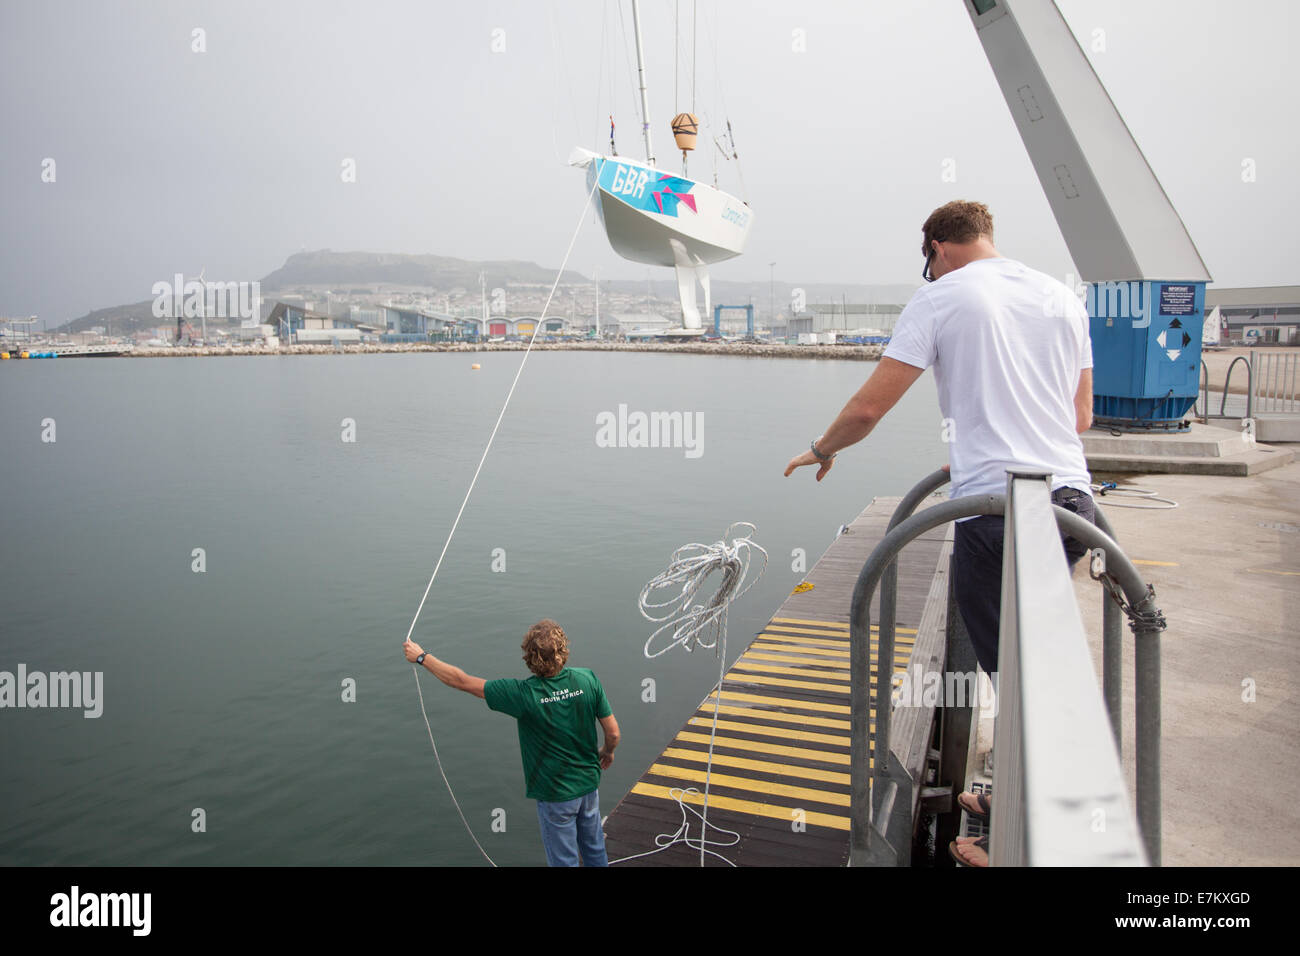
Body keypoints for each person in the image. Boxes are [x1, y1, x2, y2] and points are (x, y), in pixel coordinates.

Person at [783, 199, 1097, 867]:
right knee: (1029, 661)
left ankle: (1025, 840)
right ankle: (1013, 799)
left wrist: (822, 447)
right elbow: (1080, 415)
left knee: (1018, 678)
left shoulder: (943, 297)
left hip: (999, 518)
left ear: (935, 246)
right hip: (1069, 501)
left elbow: (870, 407)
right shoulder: (1058, 296)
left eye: (926, 259)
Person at [403, 618, 620, 867]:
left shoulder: (522, 695)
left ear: (529, 656)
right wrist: (607, 751)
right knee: (594, 850)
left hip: (555, 795)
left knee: (564, 861)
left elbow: (461, 681)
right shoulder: (587, 680)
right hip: (589, 787)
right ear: (563, 651)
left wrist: (422, 657)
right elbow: (613, 733)